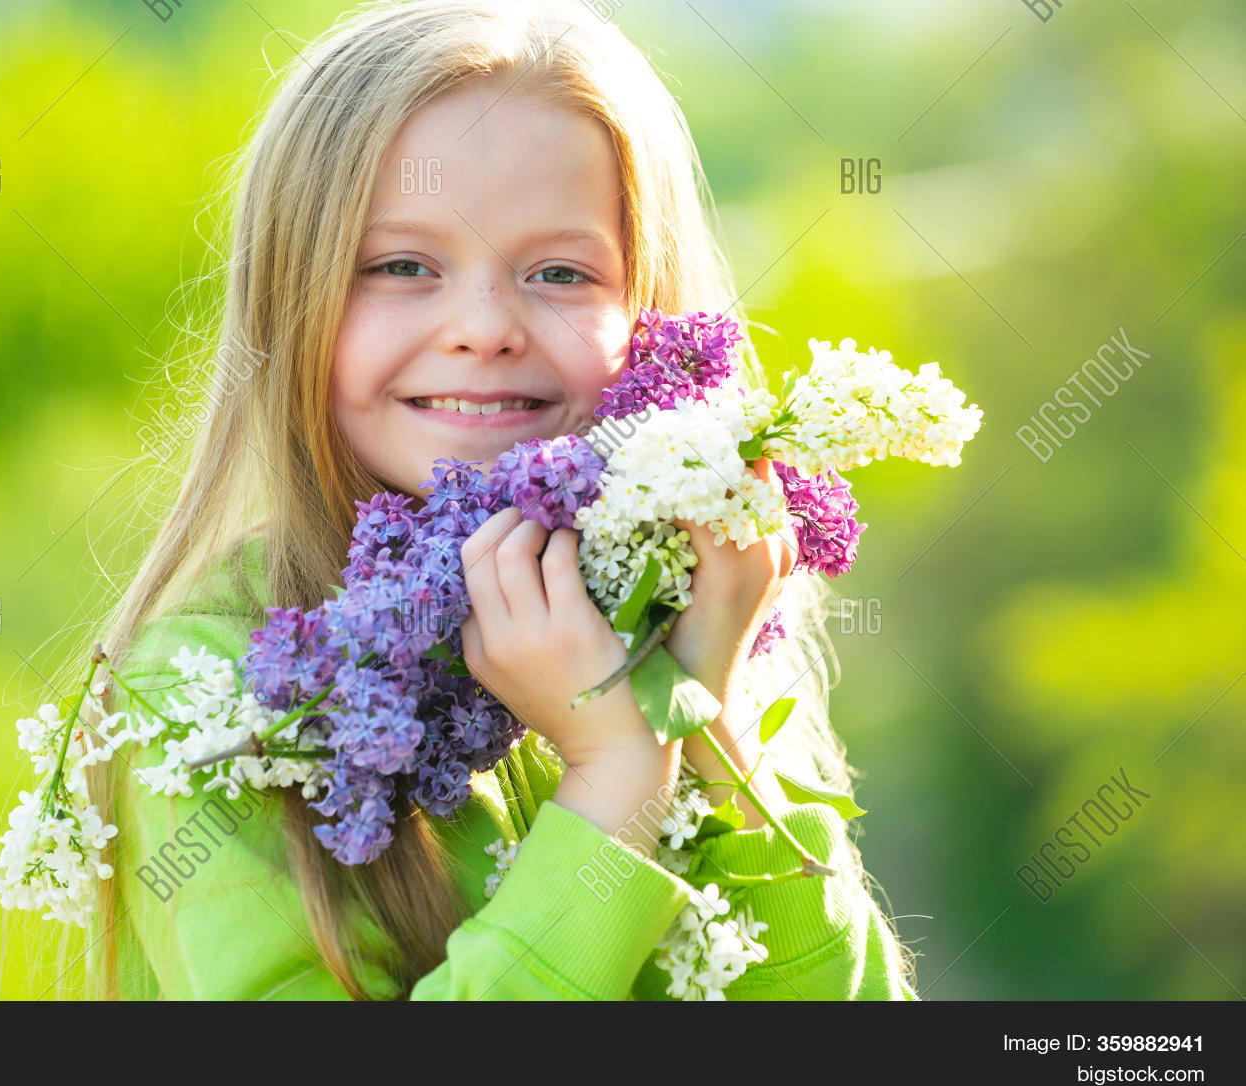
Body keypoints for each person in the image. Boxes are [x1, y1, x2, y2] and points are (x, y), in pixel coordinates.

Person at [73, 0, 918, 1000]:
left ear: (649, 319)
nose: (484, 327)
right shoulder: (211, 688)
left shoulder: (682, 612)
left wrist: (711, 716)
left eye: (559, 271)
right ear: (290, 302)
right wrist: (612, 783)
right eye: (401, 266)